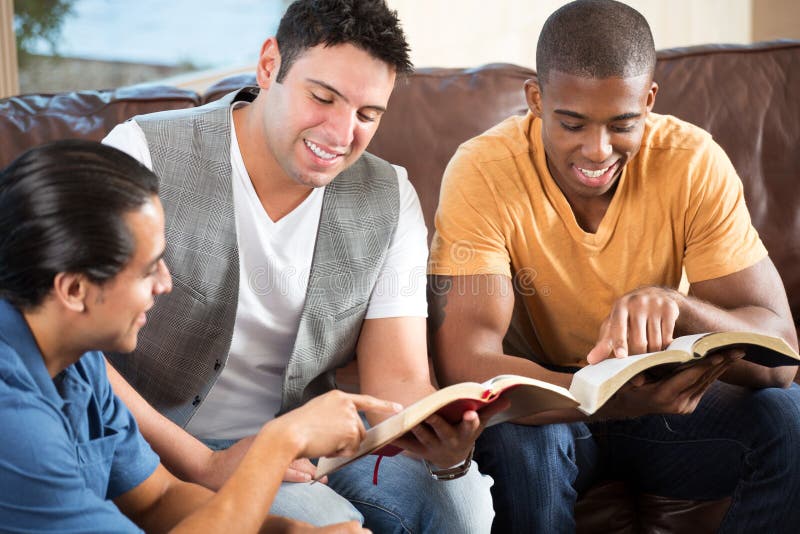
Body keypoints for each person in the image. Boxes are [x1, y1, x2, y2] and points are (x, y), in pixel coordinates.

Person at [102, 0, 496, 531]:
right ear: (270, 66)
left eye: (367, 115)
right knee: (329, 521)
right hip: (165, 445)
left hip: (317, 442)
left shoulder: (388, 196)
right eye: (323, 98)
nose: (341, 133)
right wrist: (206, 464)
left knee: (464, 502)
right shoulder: (143, 152)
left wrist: (448, 441)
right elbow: (76, 352)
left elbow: (398, 379)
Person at [428, 0, 800, 532]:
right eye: (571, 124)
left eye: (622, 124)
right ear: (536, 100)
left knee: (788, 420)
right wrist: (606, 400)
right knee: (520, 443)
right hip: (549, 411)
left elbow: (780, 362)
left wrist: (679, 307)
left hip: (662, 410)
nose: (597, 151)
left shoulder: (692, 162)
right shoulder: (484, 170)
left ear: (648, 101)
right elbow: (465, 366)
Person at [0, 139, 406, 532]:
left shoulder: (77, 358)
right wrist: (282, 440)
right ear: (74, 290)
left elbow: (159, 499)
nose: (166, 283)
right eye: (148, 269)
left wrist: (294, 533)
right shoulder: (13, 421)